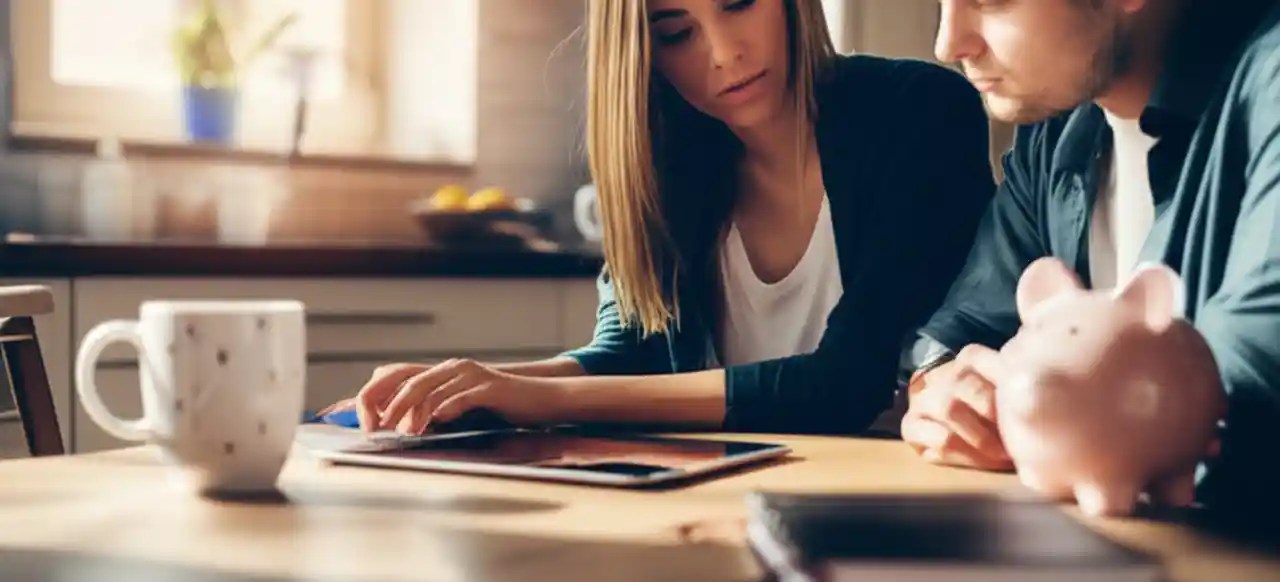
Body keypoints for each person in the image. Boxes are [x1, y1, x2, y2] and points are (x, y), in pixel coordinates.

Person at [324, 0, 993, 437]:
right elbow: (628, 356)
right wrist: (465, 387)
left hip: (898, 501)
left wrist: (540, 400)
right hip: (726, 503)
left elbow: (850, 381)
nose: (724, 51)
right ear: (644, 53)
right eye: (677, 33)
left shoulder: (918, 112)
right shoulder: (668, 165)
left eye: (739, 3)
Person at [902, 0, 1280, 517]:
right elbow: (960, 334)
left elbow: (1245, 391)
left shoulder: (1269, 81)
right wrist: (944, 393)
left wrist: (1028, 400)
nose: (948, 44)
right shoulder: (1055, 125)